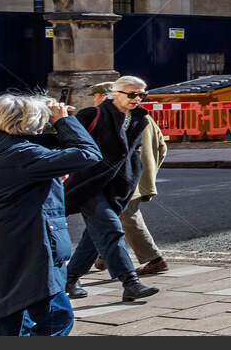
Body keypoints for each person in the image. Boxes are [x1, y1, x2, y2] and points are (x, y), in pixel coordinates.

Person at [0, 93, 102, 335]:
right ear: (25, 124)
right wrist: (63, 121)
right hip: (29, 247)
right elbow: (89, 154)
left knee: (8, 317)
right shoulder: (24, 156)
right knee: (57, 319)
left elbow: (35, 145)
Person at [63, 77, 159, 303]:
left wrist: (133, 178)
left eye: (141, 94)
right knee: (111, 230)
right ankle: (130, 283)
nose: (137, 98)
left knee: (95, 235)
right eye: (132, 94)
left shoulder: (140, 119)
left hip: (117, 187)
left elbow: (133, 154)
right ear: (114, 93)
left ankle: (70, 277)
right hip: (88, 184)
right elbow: (69, 143)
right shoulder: (90, 115)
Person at [123, 109, 169, 277]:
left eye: (97, 96)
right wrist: (151, 171)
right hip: (139, 175)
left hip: (125, 176)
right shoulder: (145, 117)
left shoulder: (118, 117)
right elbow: (162, 147)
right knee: (106, 216)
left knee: (126, 214)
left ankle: (155, 259)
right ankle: (104, 256)